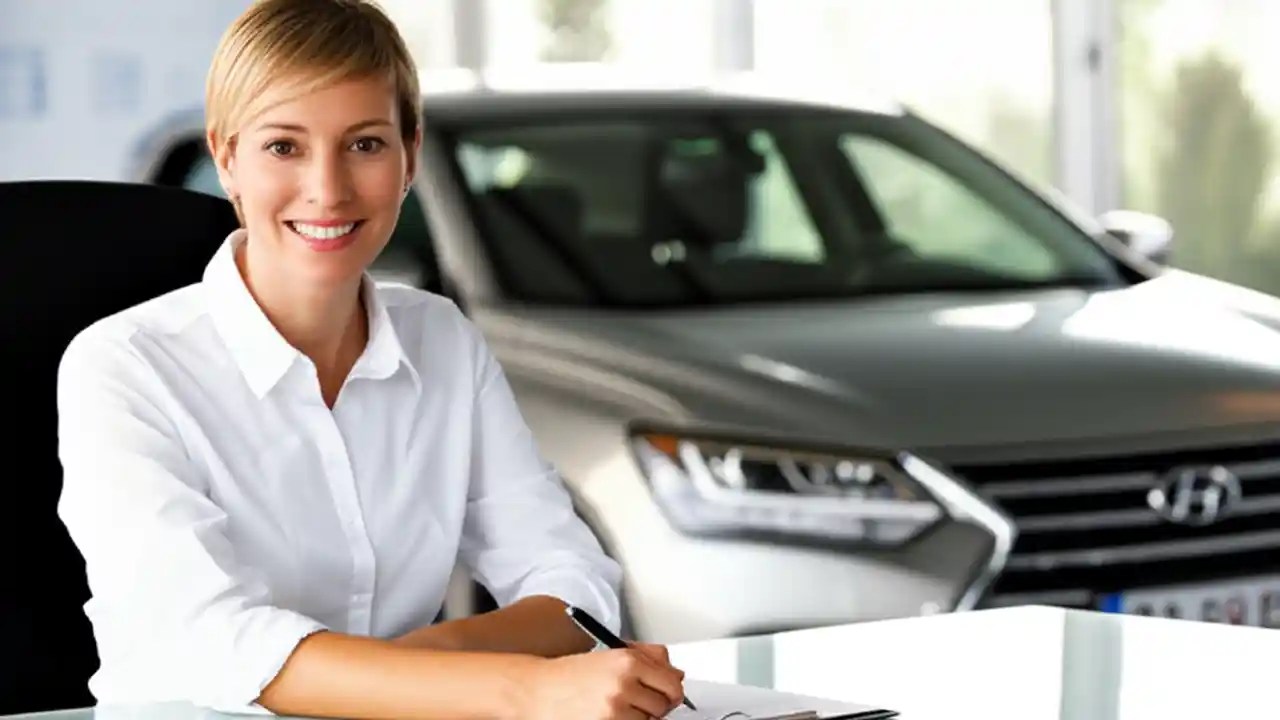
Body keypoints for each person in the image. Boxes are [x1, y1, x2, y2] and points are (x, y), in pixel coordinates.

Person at [54, 1, 688, 718]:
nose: (328, 189)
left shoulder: (440, 340)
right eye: (284, 147)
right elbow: (212, 643)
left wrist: (409, 672)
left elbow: (576, 588)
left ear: (410, 155)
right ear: (226, 158)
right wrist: (519, 687)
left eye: (364, 145)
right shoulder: (124, 367)